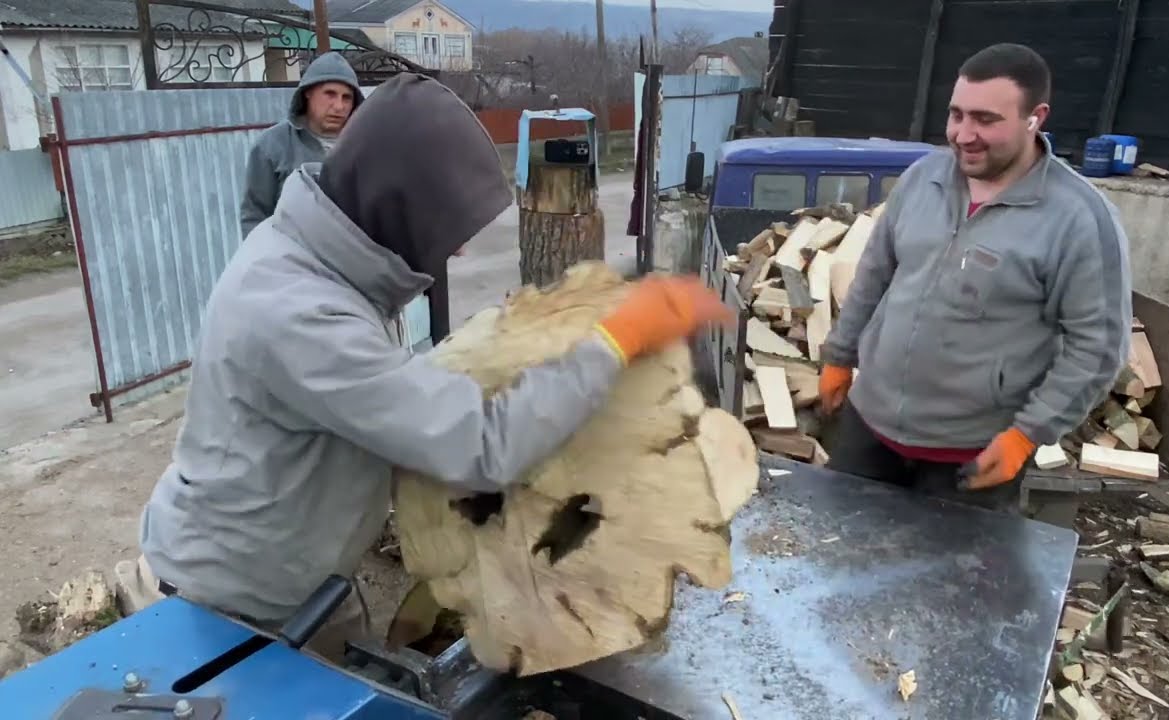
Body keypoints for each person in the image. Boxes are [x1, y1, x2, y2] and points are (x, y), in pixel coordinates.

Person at [117, 73, 731, 660]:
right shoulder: (298, 313)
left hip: (297, 582)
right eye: (446, 229)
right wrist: (617, 340)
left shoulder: (317, 255)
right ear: (398, 207)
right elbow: (483, 444)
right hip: (225, 610)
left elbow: (388, 392)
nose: (456, 250)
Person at [817, 43, 1132, 514]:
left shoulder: (1080, 220)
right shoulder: (924, 178)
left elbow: (1098, 346)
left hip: (969, 454)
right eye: (956, 115)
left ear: (1036, 117)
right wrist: (840, 355)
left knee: (943, 564)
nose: (964, 135)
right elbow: (875, 273)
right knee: (839, 543)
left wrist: (1027, 435)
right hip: (870, 426)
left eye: (985, 120)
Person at [239, 52, 363, 238]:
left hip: (352, 253)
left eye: (346, 97)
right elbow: (254, 216)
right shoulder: (272, 146)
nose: (339, 106)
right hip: (291, 252)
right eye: (330, 94)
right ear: (308, 92)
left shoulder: (365, 145)